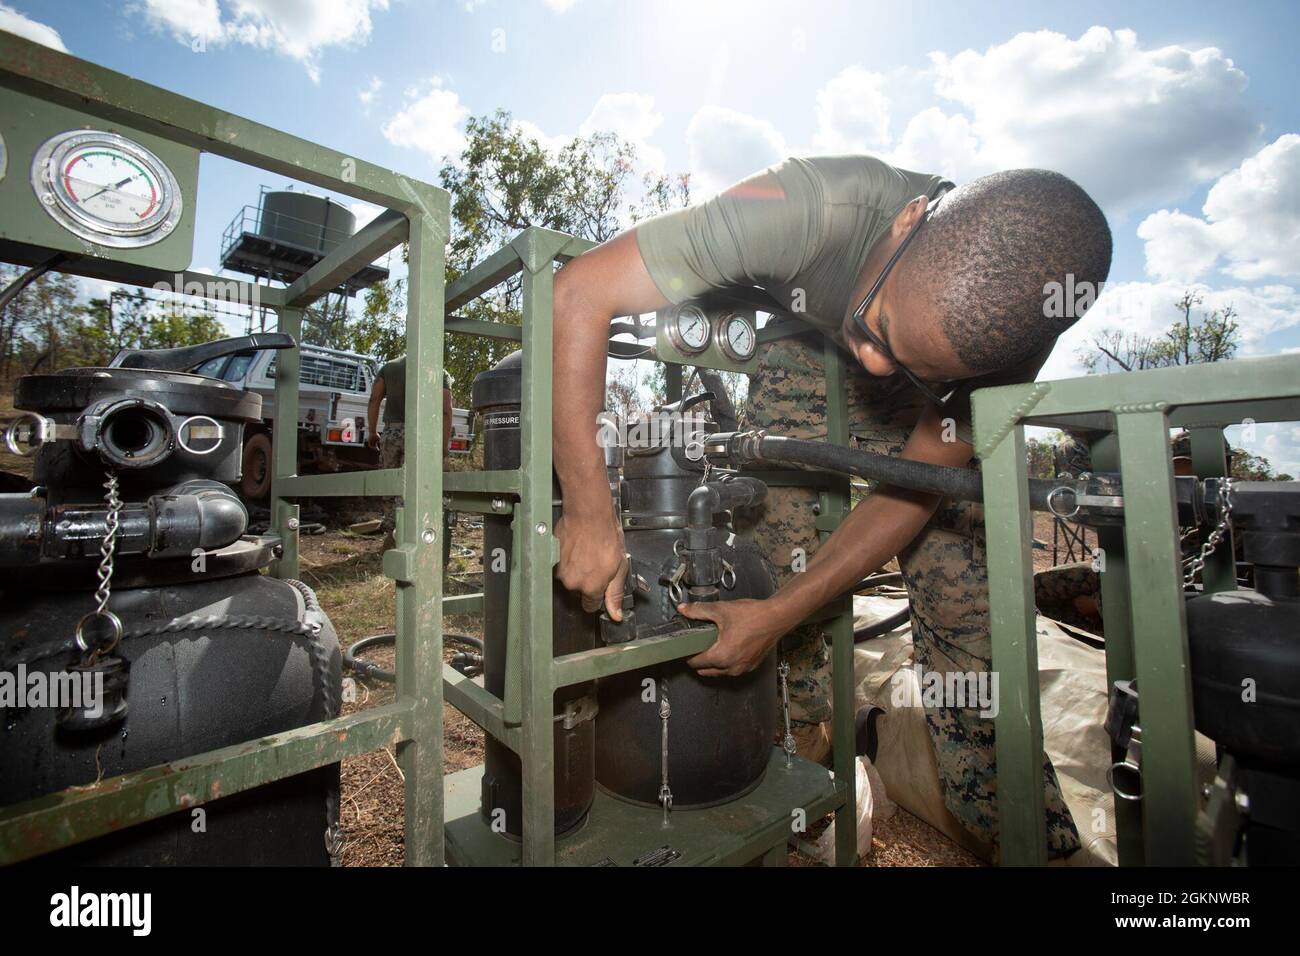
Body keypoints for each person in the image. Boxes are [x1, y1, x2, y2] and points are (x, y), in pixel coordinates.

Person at [549, 155, 1112, 859]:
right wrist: (590, 508)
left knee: (975, 625)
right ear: (909, 221)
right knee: (771, 571)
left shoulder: (1013, 322)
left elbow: (918, 482)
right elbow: (578, 290)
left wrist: (781, 613)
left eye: (903, 362)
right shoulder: (806, 210)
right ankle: (796, 795)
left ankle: (1025, 837)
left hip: (933, 409)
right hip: (801, 349)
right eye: (879, 325)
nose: (876, 367)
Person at [367, 355, 453, 545]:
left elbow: (374, 399)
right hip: (421, 435)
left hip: (391, 432)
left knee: (389, 483)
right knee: (414, 484)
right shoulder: (437, 370)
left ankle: (392, 534)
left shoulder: (389, 368)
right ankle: (409, 534)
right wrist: (443, 445)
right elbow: (446, 410)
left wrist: (372, 431)